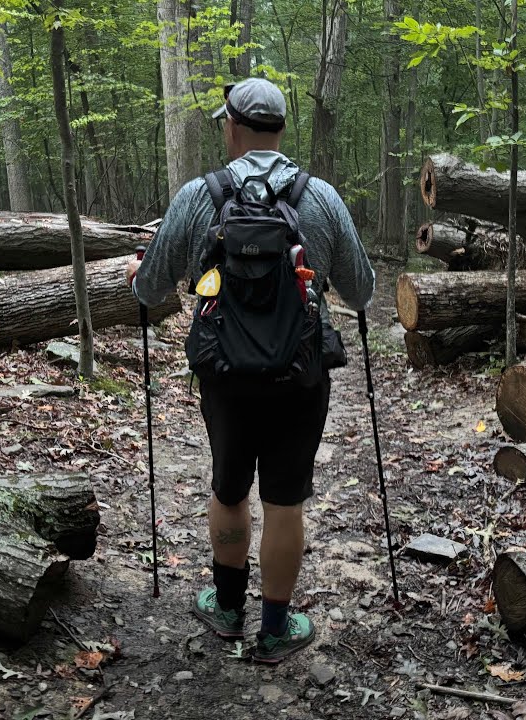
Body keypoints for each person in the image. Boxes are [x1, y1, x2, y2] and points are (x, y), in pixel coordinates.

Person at [126, 77, 375, 663]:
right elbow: (363, 292)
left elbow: (150, 286)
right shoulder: (321, 198)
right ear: (282, 129)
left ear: (232, 127)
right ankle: (274, 629)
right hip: (299, 374)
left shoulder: (198, 196)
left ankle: (228, 608)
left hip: (224, 375)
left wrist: (140, 270)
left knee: (229, 486)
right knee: (285, 500)